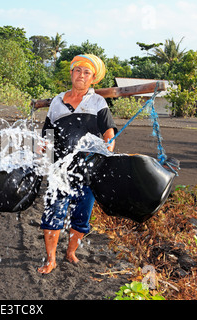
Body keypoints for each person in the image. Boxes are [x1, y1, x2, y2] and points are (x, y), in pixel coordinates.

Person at [38, 54, 117, 274]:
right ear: (71, 73)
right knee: (54, 212)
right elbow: (47, 132)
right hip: (60, 170)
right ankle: (50, 259)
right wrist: (42, 145)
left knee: (82, 215)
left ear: (93, 79)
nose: (81, 75)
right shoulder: (56, 101)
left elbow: (108, 132)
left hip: (88, 170)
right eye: (78, 70)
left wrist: (109, 148)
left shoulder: (98, 102)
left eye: (87, 72)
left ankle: (71, 252)